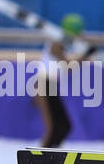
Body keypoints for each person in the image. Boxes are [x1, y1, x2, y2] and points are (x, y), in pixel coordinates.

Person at [32, 13, 85, 147]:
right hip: (43, 86)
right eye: (79, 33)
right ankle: (41, 159)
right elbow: (68, 64)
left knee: (64, 126)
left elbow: (68, 67)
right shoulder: (56, 43)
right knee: (55, 128)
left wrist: (84, 57)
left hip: (49, 86)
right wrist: (84, 56)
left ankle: (51, 156)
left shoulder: (62, 44)